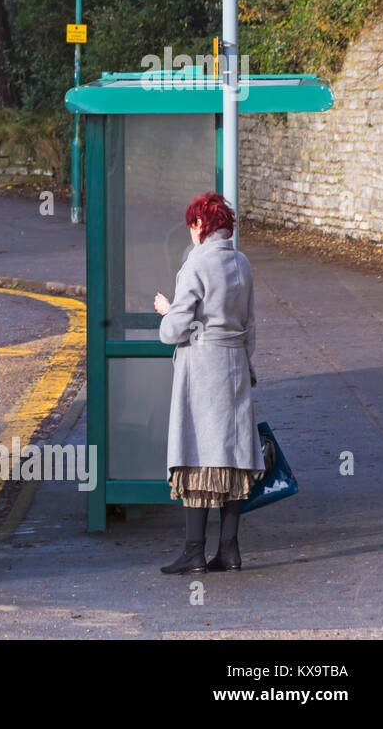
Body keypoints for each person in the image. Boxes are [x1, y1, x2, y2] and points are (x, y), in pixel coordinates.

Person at [153, 192, 262, 574]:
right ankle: (229, 551)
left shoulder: (196, 263)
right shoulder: (242, 263)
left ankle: (194, 551)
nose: (190, 231)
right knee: (231, 458)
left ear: (201, 224)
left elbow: (175, 330)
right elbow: (249, 325)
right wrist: (245, 365)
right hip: (234, 365)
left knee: (197, 452)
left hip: (203, 367)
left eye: (192, 224)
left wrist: (166, 312)